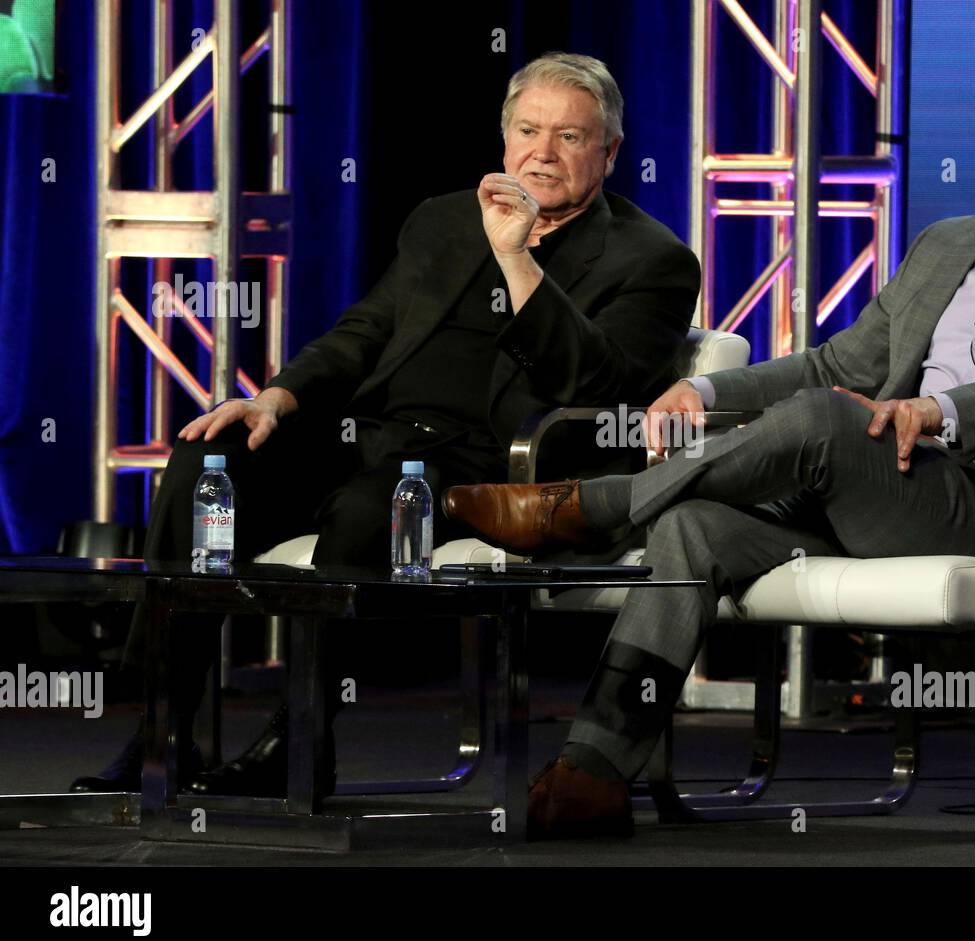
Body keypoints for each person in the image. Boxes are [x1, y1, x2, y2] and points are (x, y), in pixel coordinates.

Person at [443, 35, 975, 839]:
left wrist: (944, 411)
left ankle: (591, 507)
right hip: (879, 485)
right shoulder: (947, 244)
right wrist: (703, 389)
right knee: (692, 526)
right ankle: (591, 772)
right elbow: (838, 360)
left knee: (832, 417)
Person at [71, 52, 700, 796]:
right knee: (211, 459)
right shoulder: (442, 220)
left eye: (570, 137)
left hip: (498, 467)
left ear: (610, 152)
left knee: (371, 510)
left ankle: (301, 739)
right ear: (504, 140)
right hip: (371, 436)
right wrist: (277, 398)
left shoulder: (653, 260)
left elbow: (597, 389)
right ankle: (161, 731)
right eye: (529, 130)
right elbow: (364, 331)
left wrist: (517, 261)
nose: (543, 151)